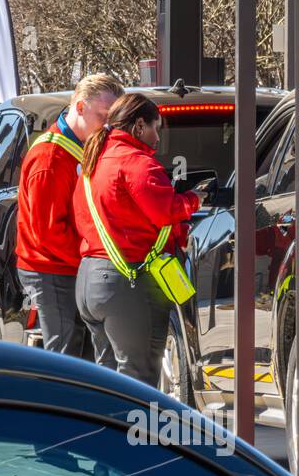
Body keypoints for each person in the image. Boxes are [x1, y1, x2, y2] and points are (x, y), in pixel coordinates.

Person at [72, 93, 202, 385]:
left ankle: (106, 431)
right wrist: (195, 199)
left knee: (107, 381)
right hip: (128, 282)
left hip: (90, 279)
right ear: (139, 126)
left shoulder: (96, 159)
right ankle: (136, 432)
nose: (158, 138)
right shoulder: (136, 162)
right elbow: (165, 211)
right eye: (156, 127)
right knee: (138, 379)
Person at [15, 74, 123, 355]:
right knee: (65, 353)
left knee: (81, 355)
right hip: (52, 268)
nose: (108, 125)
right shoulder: (50, 158)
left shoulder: (79, 147)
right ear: (79, 108)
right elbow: (48, 232)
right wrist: (93, 258)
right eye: (103, 115)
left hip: (70, 264)